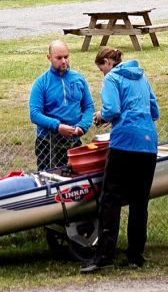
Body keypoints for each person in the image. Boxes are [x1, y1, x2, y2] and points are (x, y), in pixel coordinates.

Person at [80, 47, 160, 274]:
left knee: (111, 198)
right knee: (139, 201)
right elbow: (155, 111)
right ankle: (136, 255)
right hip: (147, 144)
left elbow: (112, 109)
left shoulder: (112, 79)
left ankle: (104, 255)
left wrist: (100, 116)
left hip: (124, 142)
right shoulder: (142, 77)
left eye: (101, 69)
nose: (102, 74)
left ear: (107, 62)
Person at [29, 40, 95, 172]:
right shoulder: (41, 83)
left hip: (74, 141)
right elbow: (34, 114)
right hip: (47, 143)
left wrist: (82, 126)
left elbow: (88, 106)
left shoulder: (79, 79)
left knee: (74, 180)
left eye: (66, 57)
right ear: (49, 58)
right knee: (49, 181)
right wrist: (57, 126)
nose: (64, 61)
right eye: (59, 58)